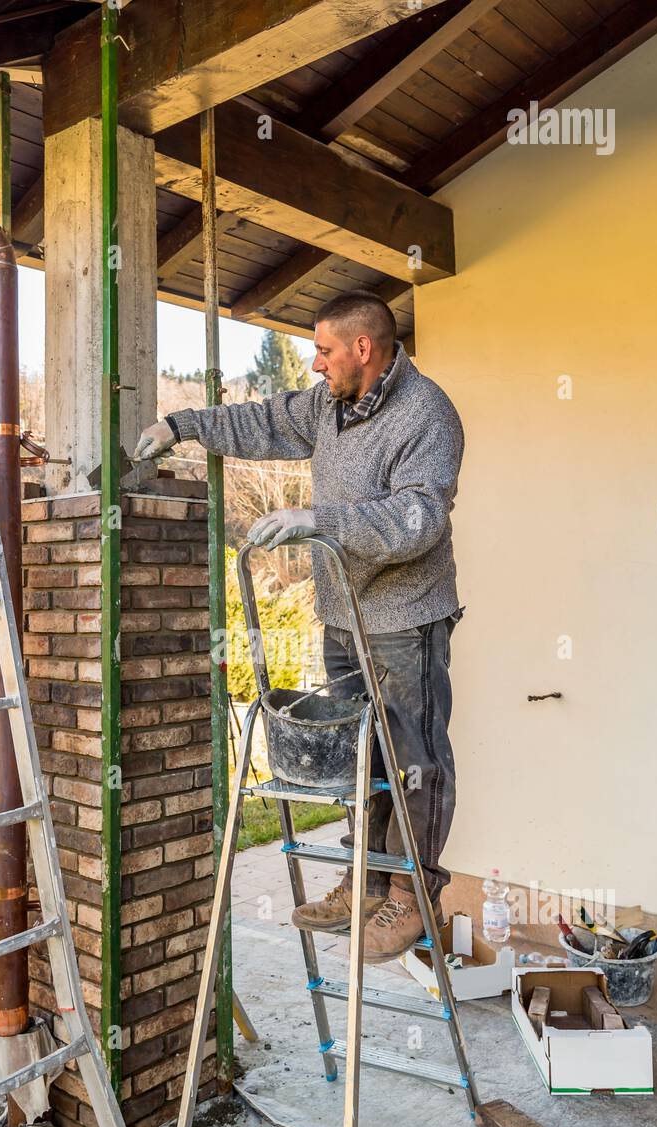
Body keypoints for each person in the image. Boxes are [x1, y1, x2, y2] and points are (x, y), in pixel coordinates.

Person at [134, 291, 464, 962]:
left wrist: (322, 521)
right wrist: (182, 424)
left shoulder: (425, 414)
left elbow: (419, 519)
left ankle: (409, 894)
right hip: (342, 614)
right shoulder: (329, 406)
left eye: (322, 350)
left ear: (362, 350)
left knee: (414, 761)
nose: (314, 364)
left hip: (404, 619)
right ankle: (364, 884)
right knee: (359, 759)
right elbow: (262, 421)